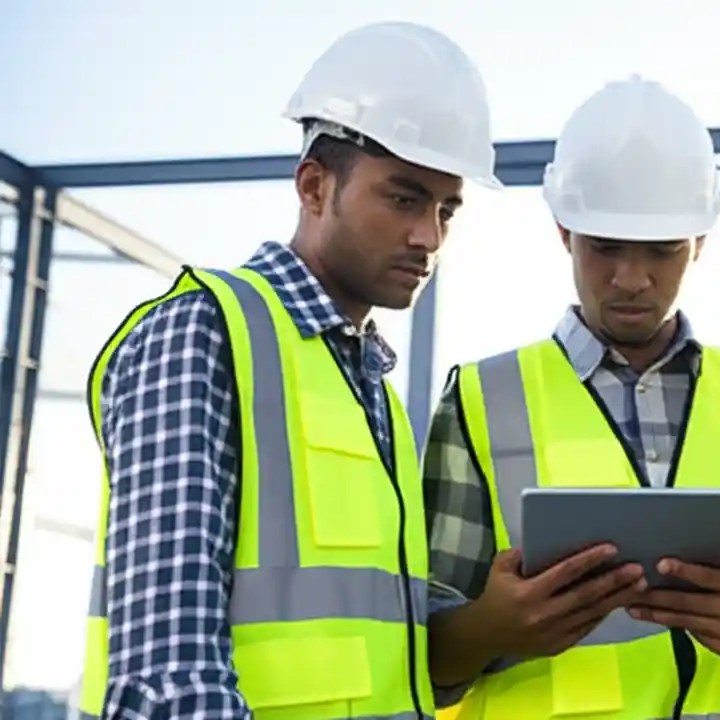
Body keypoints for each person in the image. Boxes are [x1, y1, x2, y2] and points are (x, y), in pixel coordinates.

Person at [77, 22, 500, 719]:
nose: (428, 237)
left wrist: (499, 622)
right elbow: (169, 676)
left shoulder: (370, 385)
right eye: (403, 199)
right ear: (313, 186)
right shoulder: (202, 333)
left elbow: (367, 633)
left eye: (446, 210)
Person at [422, 75, 720, 719]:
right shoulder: (483, 399)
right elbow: (423, 645)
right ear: (564, 230)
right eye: (605, 248)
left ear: (700, 241)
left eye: (662, 251)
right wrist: (489, 630)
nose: (631, 278)